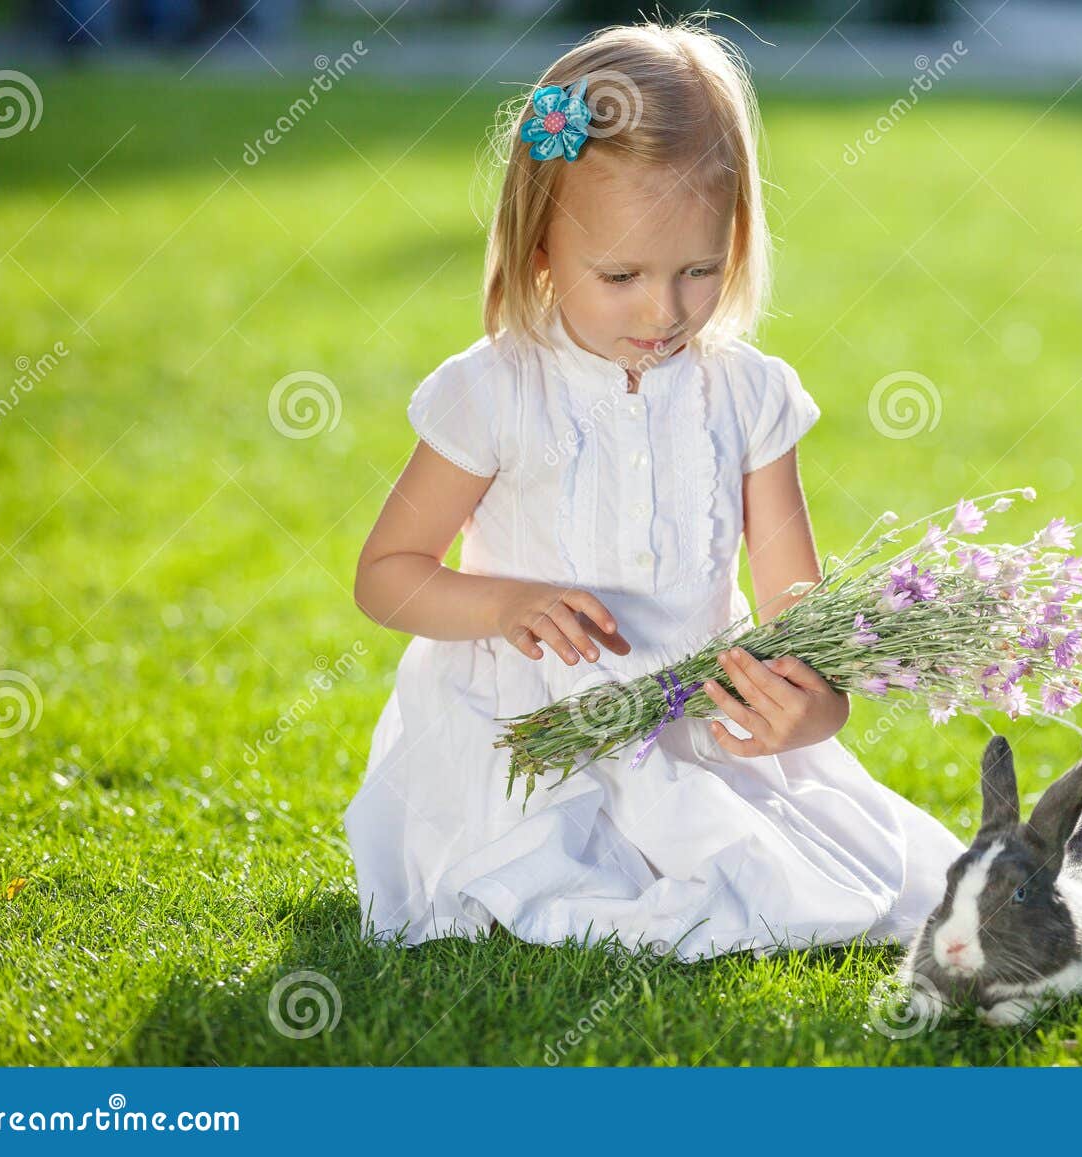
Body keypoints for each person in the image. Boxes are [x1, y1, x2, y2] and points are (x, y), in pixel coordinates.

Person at [345, 17, 963, 961]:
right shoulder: (496, 388)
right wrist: (506, 602)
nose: (664, 309)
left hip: (691, 719)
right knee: (552, 868)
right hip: (521, 724)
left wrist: (817, 703)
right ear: (541, 248)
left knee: (829, 872)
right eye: (621, 274)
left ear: (737, 238)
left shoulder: (749, 395)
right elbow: (387, 575)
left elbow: (796, 603)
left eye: (700, 270)